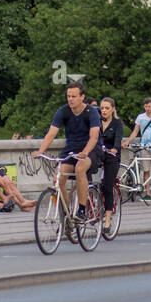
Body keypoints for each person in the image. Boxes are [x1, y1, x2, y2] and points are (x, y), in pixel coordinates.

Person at [35, 82, 101, 220]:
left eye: (74, 96)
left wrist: (85, 152)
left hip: (91, 150)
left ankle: (82, 210)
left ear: (82, 97)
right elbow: (51, 134)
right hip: (71, 150)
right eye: (68, 96)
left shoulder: (91, 112)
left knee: (80, 168)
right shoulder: (63, 111)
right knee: (59, 179)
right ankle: (66, 215)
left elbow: (94, 137)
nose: (70, 99)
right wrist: (40, 151)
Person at [98, 97, 125, 230]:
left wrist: (115, 148)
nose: (104, 110)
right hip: (98, 155)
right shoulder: (96, 122)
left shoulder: (117, 123)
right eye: (102, 108)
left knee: (107, 186)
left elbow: (118, 139)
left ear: (113, 109)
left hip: (111, 156)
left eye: (107, 108)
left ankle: (107, 220)